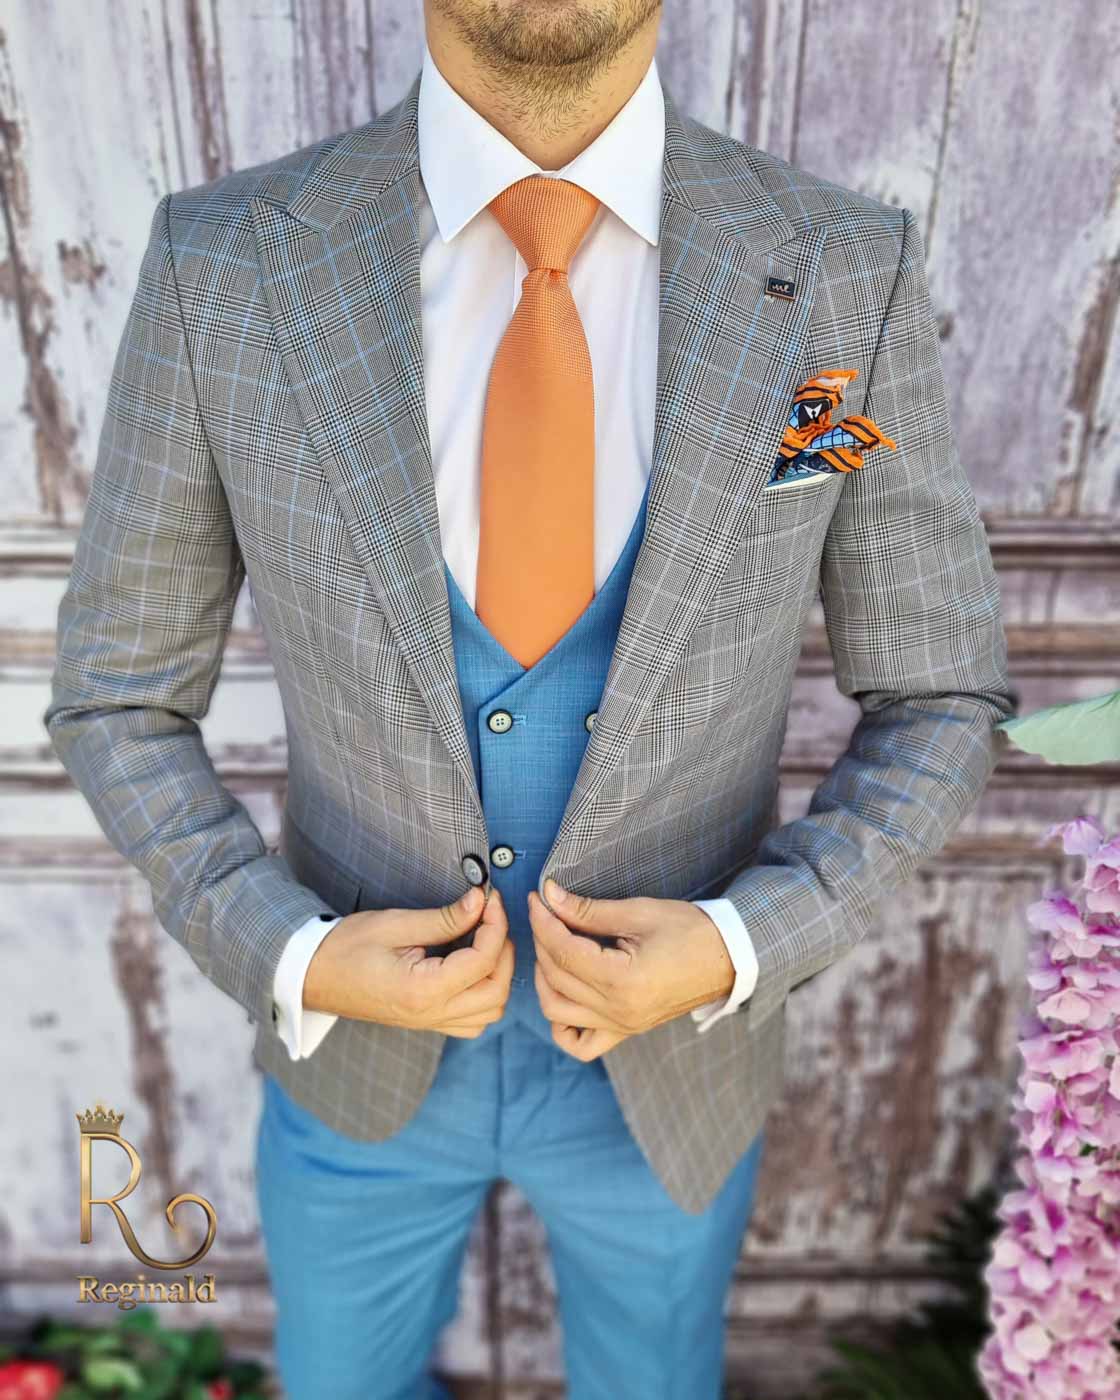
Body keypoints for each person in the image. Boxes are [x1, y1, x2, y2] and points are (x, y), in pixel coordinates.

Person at [43, 1, 1019, 1395]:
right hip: (352, 1065)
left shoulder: (841, 273)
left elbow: (940, 691)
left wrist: (742, 943)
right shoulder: (228, 263)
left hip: (676, 1069)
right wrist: (293, 957)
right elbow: (116, 696)